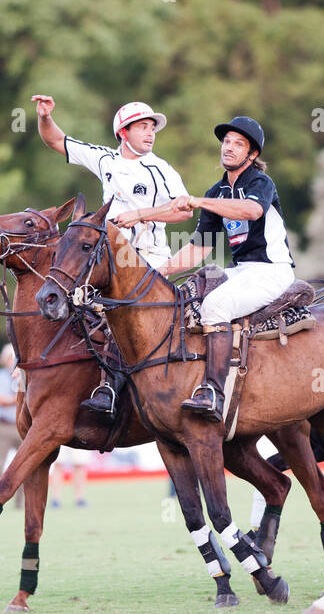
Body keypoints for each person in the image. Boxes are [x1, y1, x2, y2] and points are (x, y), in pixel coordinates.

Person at [31, 94, 193, 414]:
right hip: (109, 260)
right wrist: (45, 116)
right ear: (123, 133)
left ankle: (113, 389)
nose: (150, 133)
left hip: (146, 258)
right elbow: (55, 140)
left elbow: (184, 210)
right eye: (142, 127)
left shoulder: (160, 169)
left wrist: (140, 215)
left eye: (152, 128)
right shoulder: (105, 159)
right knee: (72, 306)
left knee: (121, 315)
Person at [161, 115, 296, 422]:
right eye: (226, 141)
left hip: (272, 270)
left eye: (239, 143)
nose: (229, 148)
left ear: (252, 155)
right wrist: (159, 271)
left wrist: (198, 201)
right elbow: (199, 247)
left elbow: (251, 209)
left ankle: (213, 392)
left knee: (215, 305)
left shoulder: (260, 183)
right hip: (243, 270)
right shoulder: (215, 192)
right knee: (186, 297)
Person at [0, 344, 24, 508]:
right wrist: (19, 397)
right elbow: (1, 399)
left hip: (22, 426)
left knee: (24, 466)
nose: (12, 361)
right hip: (5, 426)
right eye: (10, 357)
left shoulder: (26, 375)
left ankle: (22, 502)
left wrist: (13, 398)